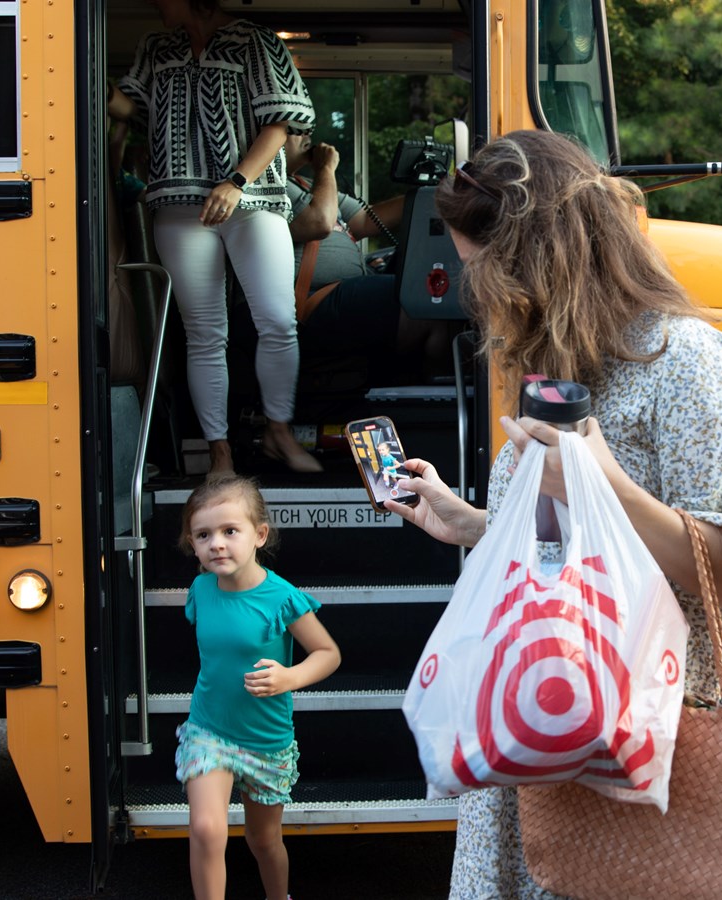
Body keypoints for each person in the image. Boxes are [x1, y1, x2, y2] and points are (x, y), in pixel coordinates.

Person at [383, 129, 722, 898]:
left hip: (663, 752)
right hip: (568, 736)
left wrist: (601, 481)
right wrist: (478, 528)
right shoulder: (569, 364)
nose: (475, 293)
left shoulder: (688, 362)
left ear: (536, 257)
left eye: (483, 268)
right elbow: (589, 566)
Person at [109, 0, 323, 476]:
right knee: (205, 335)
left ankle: (278, 432)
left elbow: (281, 122)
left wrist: (237, 181)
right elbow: (129, 106)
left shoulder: (255, 40)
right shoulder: (156, 46)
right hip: (180, 205)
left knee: (277, 319)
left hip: (255, 198)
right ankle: (219, 453)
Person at [173, 474, 341, 900]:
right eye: (204, 535)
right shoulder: (200, 589)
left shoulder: (281, 597)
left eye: (230, 531)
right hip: (209, 732)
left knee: (263, 841)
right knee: (207, 829)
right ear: (192, 544)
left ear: (259, 534)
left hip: (267, 742)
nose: (217, 544)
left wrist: (290, 677)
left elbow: (327, 652)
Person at [283, 132, 456, 383]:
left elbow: (366, 219)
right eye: (294, 128)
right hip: (312, 303)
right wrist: (326, 168)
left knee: (430, 282)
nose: (306, 133)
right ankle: (442, 404)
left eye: (306, 126)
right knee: (431, 305)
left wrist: (438, 193)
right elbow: (320, 222)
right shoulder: (273, 188)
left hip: (346, 289)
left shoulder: (306, 185)